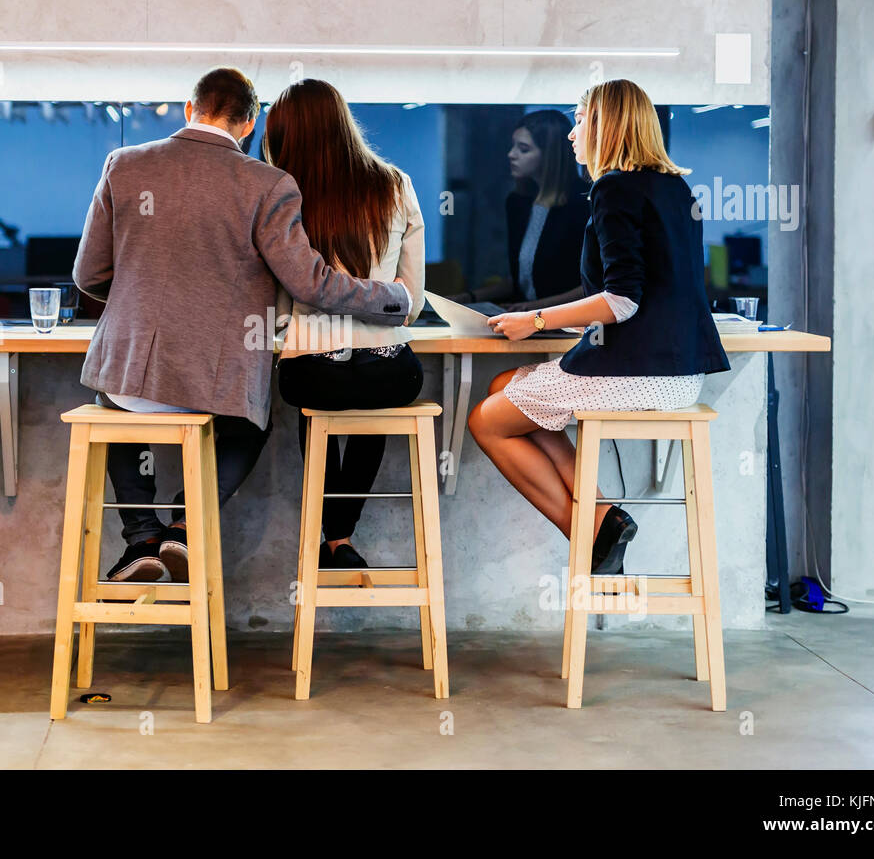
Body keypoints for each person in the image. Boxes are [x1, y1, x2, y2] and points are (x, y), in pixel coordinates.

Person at [73, 67, 412, 583]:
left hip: (130, 374)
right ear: (250, 123)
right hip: (216, 382)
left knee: (114, 407)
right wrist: (394, 298)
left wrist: (135, 301)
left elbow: (89, 275)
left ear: (190, 109)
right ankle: (185, 527)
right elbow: (312, 284)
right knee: (248, 425)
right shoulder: (268, 184)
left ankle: (140, 537)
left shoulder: (124, 164)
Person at [466, 79, 729, 574]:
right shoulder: (674, 186)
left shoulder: (614, 187)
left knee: (486, 420)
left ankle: (589, 531)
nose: (571, 134)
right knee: (507, 387)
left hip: (637, 373)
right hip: (681, 376)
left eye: (581, 119)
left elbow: (623, 300)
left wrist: (536, 319)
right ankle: (605, 517)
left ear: (606, 125)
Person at [265, 79, 425, 569]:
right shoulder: (395, 184)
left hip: (311, 372)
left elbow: (271, 303)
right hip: (392, 373)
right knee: (370, 394)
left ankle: (329, 532)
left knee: (320, 393)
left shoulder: (280, 195)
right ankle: (340, 536)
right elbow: (411, 302)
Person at [453, 109, 588, 311]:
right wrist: (467, 298)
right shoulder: (518, 203)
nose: (511, 154)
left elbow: (593, 287)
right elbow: (518, 279)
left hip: (566, 325)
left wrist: (533, 309)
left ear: (550, 156)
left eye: (523, 149)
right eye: (513, 146)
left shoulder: (584, 203)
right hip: (526, 323)